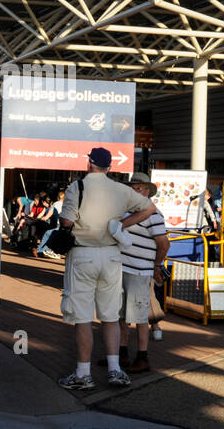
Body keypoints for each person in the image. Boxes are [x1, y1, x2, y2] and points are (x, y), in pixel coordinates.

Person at [55, 148, 156, 390]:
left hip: (82, 255)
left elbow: (67, 221)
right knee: (111, 316)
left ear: (89, 163)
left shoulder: (76, 187)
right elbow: (150, 209)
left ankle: (83, 374)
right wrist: (121, 224)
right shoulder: (121, 189)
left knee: (83, 318)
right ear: (109, 167)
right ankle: (115, 370)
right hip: (112, 255)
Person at [115, 173, 168, 374]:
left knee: (139, 316)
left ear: (147, 191)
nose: (134, 191)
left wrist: (155, 265)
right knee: (119, 315)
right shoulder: (125, 211)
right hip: (121, 268)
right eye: (132, 188)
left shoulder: (154, 215)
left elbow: (163, 244)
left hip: (138, 272)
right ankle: (122, 353)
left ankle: (142, 356)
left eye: (138, 188)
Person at [34, 190, 65, 258]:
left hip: (58, 225)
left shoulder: (55, 205)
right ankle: (41, 250)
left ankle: (41, 250)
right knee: (47, 232)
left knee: (47, 233)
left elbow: (47, 216)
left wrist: (40, 218)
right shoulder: (63, 204)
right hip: (59, 225)